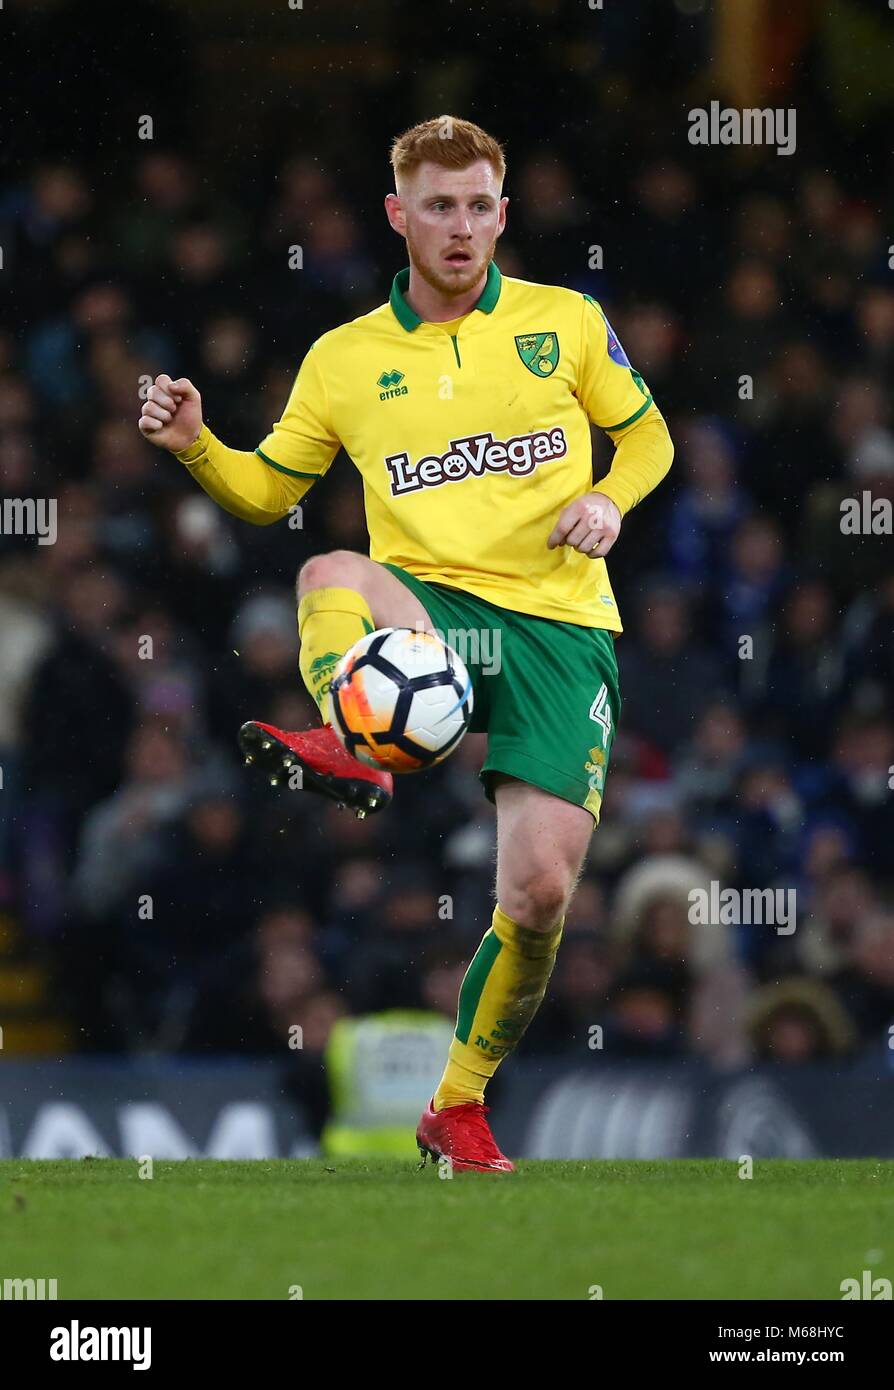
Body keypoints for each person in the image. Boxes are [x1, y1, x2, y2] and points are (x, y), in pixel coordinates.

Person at [137, 115, 673, 1172]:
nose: (462, 229)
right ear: (399, 215)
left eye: (479, 206)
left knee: (541, 893)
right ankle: (348, 736)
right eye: (439, 207)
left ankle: (456, 1107)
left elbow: (650, 435)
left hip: (564, 625)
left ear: (503, 214)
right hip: (438, 618)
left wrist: (610, 501)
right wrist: (198, 443)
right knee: (328, 571)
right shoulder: (344, 359)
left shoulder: (565, 322)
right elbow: (267, 492)